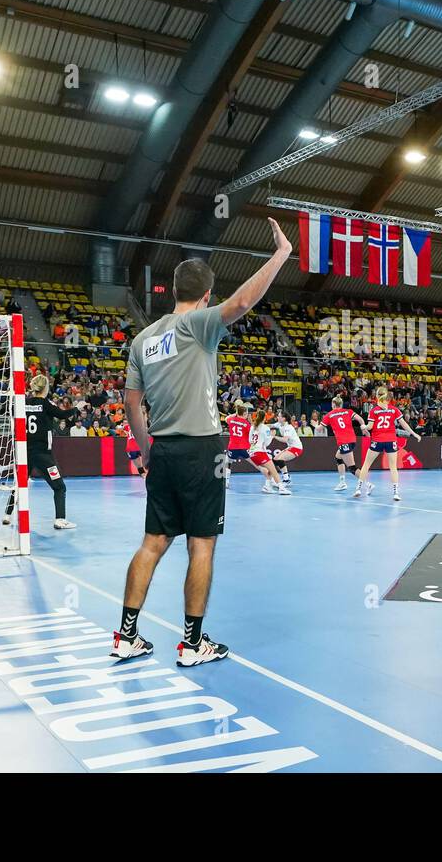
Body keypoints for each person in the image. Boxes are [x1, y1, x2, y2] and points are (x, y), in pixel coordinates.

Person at [113, 217, 291, 667]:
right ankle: (193, 644)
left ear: (174, 291)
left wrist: (147, 449)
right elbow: (244, 301)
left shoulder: (142, 339)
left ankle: (126, 636)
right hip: (201, 448)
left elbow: (132, 406)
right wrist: (280, 255)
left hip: (164, 450)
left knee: (152, 543)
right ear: (206, 295)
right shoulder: (198, 326)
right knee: (202, 546)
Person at [3, 375, 79, 531]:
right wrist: (76, 408)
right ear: (45, 388)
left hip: (25, 453)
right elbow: (63, 415)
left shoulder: (24, 402)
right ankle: (60, 519)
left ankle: (7, 515)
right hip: (43, 455)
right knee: (59, 487)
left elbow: (10, 410)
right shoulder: (46, 404)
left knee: (20, 485)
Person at [352, 385, 422, 502]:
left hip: (377, 441)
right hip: (390, 441)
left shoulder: (373, 410)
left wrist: (363, 426)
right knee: (393, 468)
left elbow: (369, 427)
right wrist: (414, 434)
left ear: (377, 396)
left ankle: (358, 489)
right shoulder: (394, 409)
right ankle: (395, 493)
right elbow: (404, 424)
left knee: (366, 465)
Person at [321, 395, 366, 492]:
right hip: (352, 440)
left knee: (352, 467)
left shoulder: (329, 414)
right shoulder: (348, 411)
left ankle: (368, 484)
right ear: (341, 404)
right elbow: (360, 419)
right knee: (338, 458)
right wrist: (363, 428)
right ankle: (342, 483)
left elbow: (319, 429)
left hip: (344, 442)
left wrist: (314, 424)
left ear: (333, 404)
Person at [248, 409, 289, 495]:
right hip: (260, 453)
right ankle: (281, 488)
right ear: (264, 418)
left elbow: (249, 441)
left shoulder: (252, 427)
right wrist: (272, 435)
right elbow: (267, 443)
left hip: (252, 453)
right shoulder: (265, 428)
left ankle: (267, 486)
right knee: (274, 470)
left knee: (269, 470)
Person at [223, 399, 254, 486]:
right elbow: (252, 433)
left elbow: (226, 418)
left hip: (233, 447)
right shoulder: (247, 424)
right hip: (245, 448)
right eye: (247, 413)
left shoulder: (232, 420)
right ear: (244, 414)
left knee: (228, 462)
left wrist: (236, 413)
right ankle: (269, 480)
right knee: (257, 464)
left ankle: (227, 482)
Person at [270, 415, 304, 485]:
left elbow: (285, 440)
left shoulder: (288, 427)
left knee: (280, 459)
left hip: (297, 448)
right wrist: (259, 425)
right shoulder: (279, 424)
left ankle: (286, 479)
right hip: (291, 447)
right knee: (275, 459)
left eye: (279, 416)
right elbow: (270, 425)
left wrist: (274, 436)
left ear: (284, 418)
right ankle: (286, 476)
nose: (277, 417)